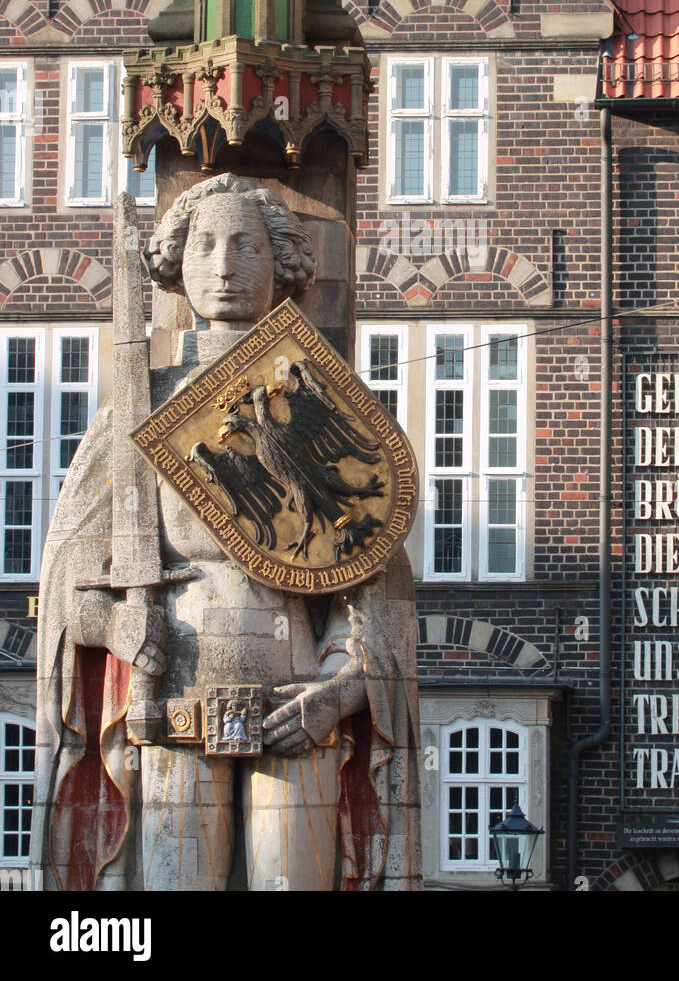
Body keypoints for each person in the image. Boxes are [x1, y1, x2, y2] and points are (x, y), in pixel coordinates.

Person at [32, 173, 421, 891]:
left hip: (298, 698)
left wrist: (336, 697)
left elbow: (374, 599)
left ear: (280, 265)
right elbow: (70, 589)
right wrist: (117, 626)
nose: (222, 266)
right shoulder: (141, 411)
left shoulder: (315, 401)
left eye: (245, 246)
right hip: (175, 694)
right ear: (177, 263)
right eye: (206, 245)